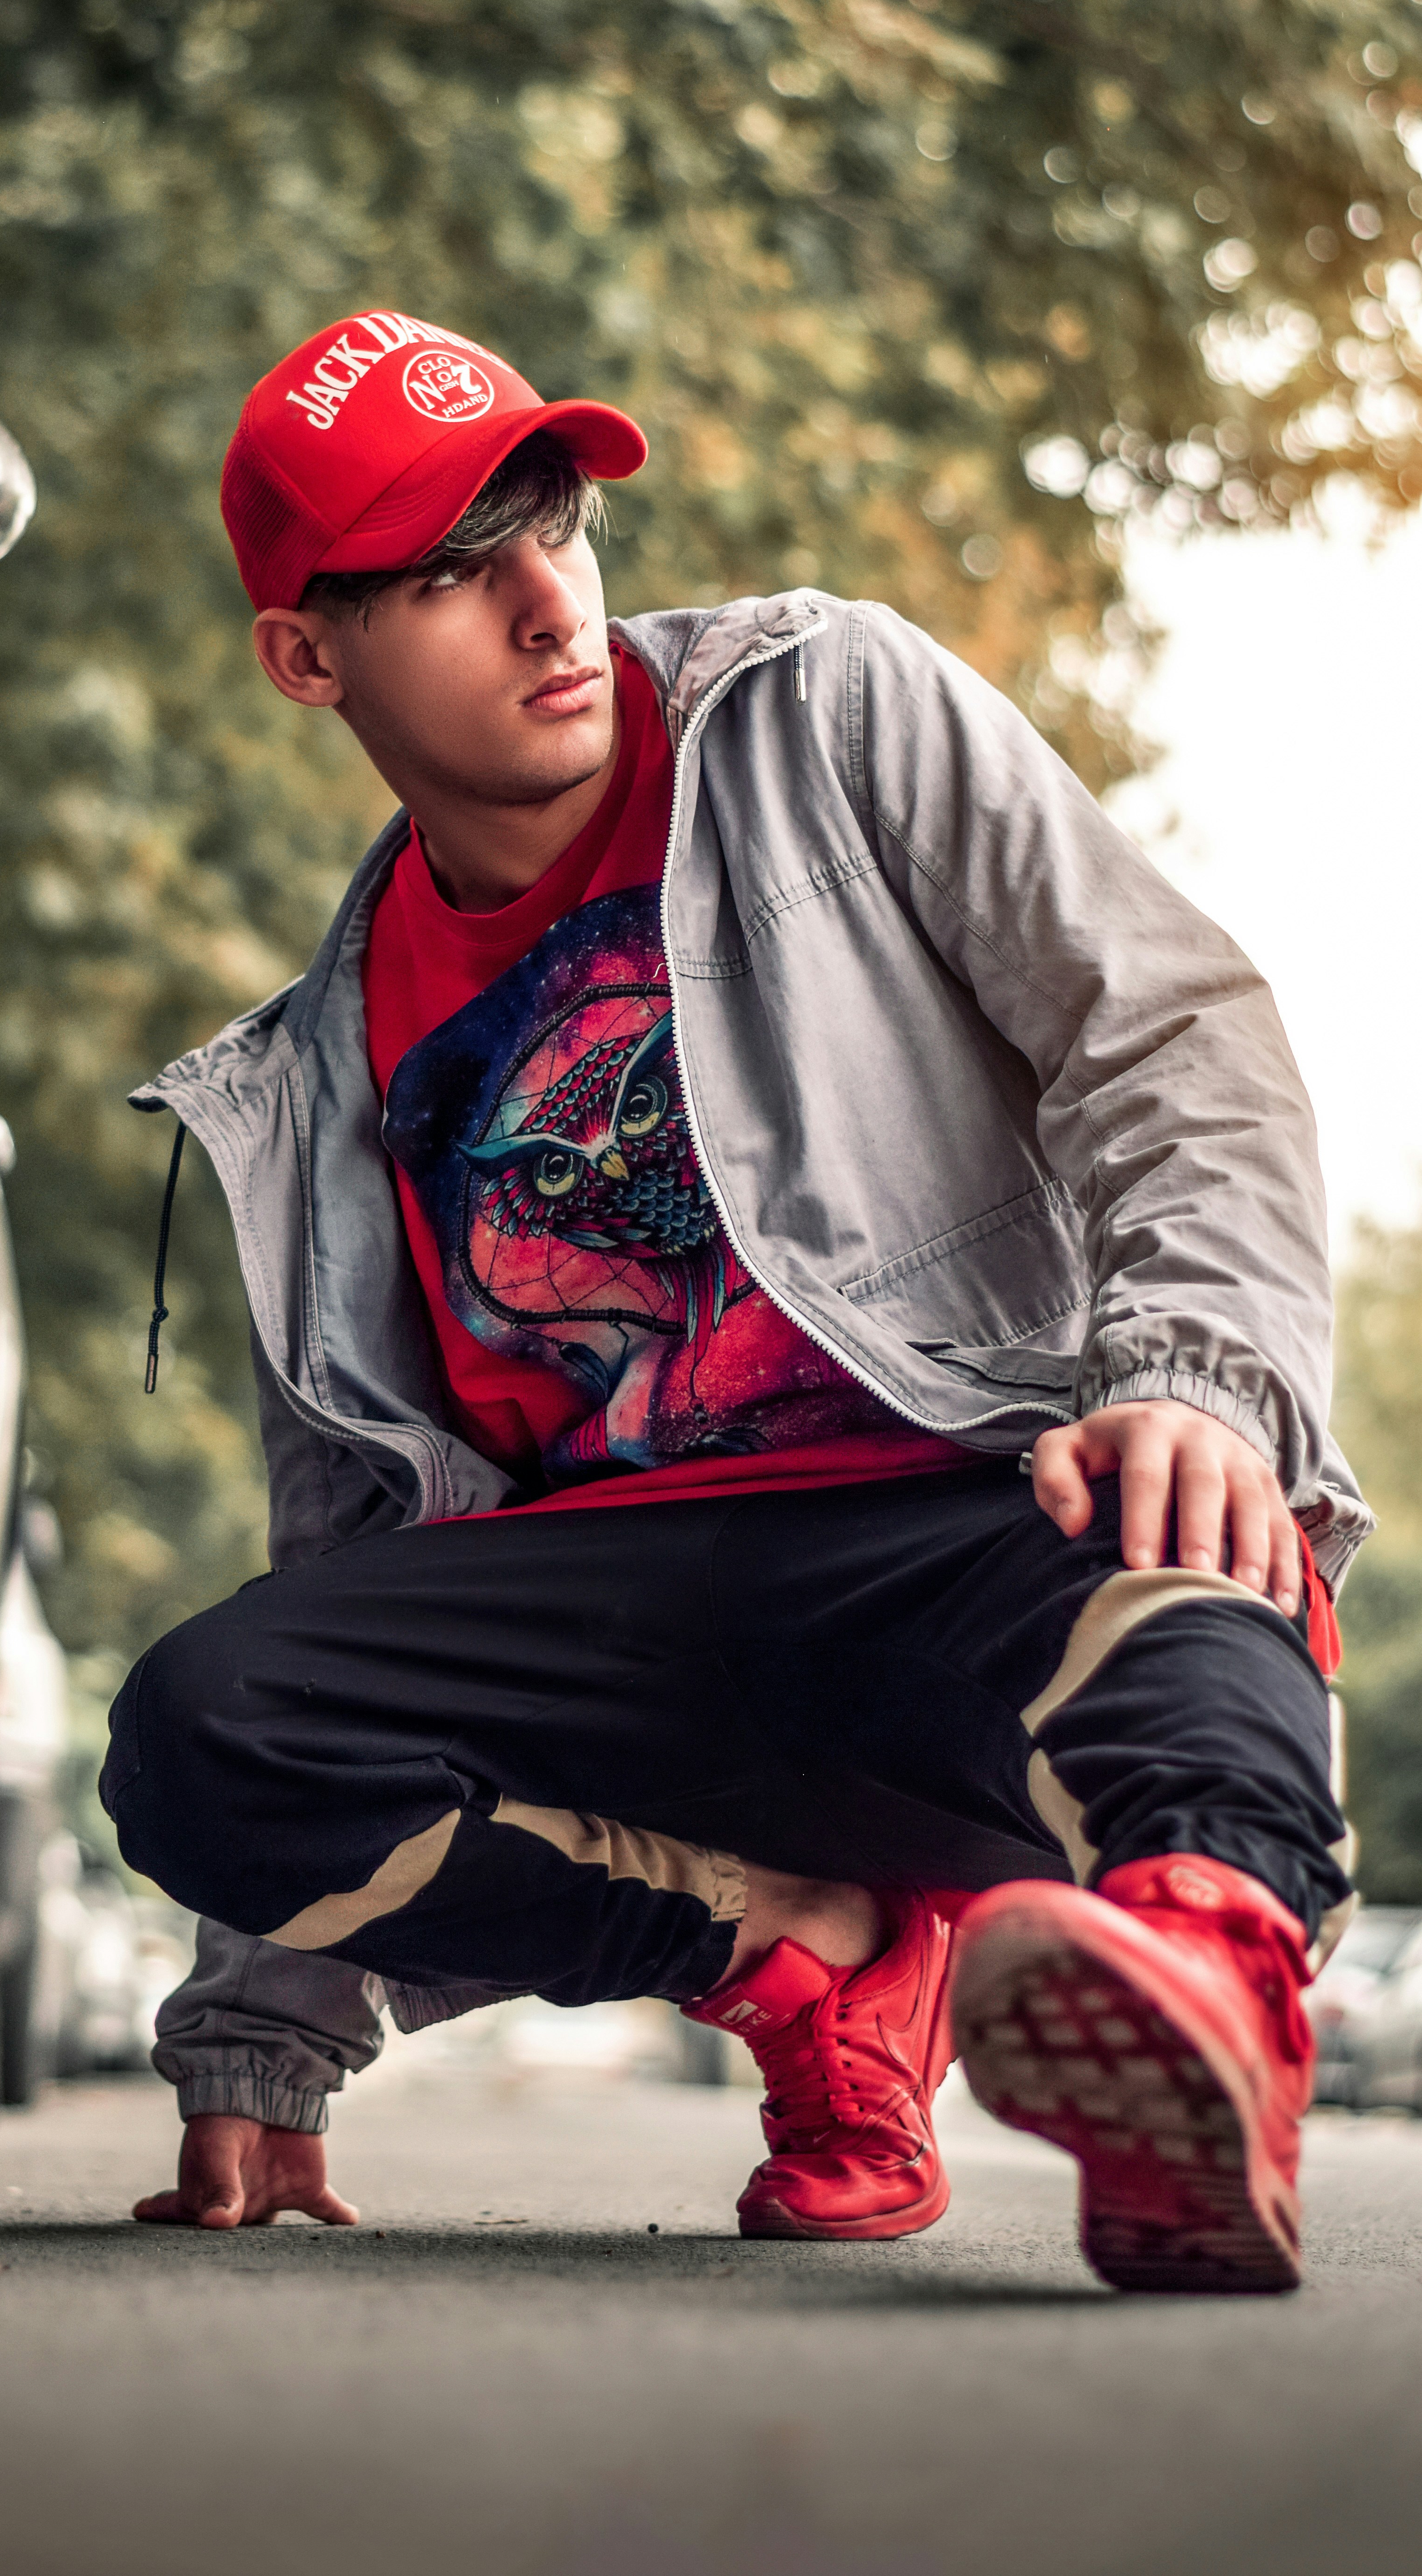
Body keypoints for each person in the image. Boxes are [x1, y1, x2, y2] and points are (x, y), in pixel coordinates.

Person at [104, 310, 1367, 2294]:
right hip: (630, 1632)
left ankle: (1200, 1994)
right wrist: (267, 2036)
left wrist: (1198, 1373)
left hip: (951, 1522)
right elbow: (354, 1527)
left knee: (1175, 1514)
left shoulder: (821, 707)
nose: (545, 607)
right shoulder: (319, 1065)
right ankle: (813, 1962)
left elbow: (1165, 1030)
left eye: (555, 526)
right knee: (210, 1721)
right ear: (308, 654)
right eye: (451, 572)